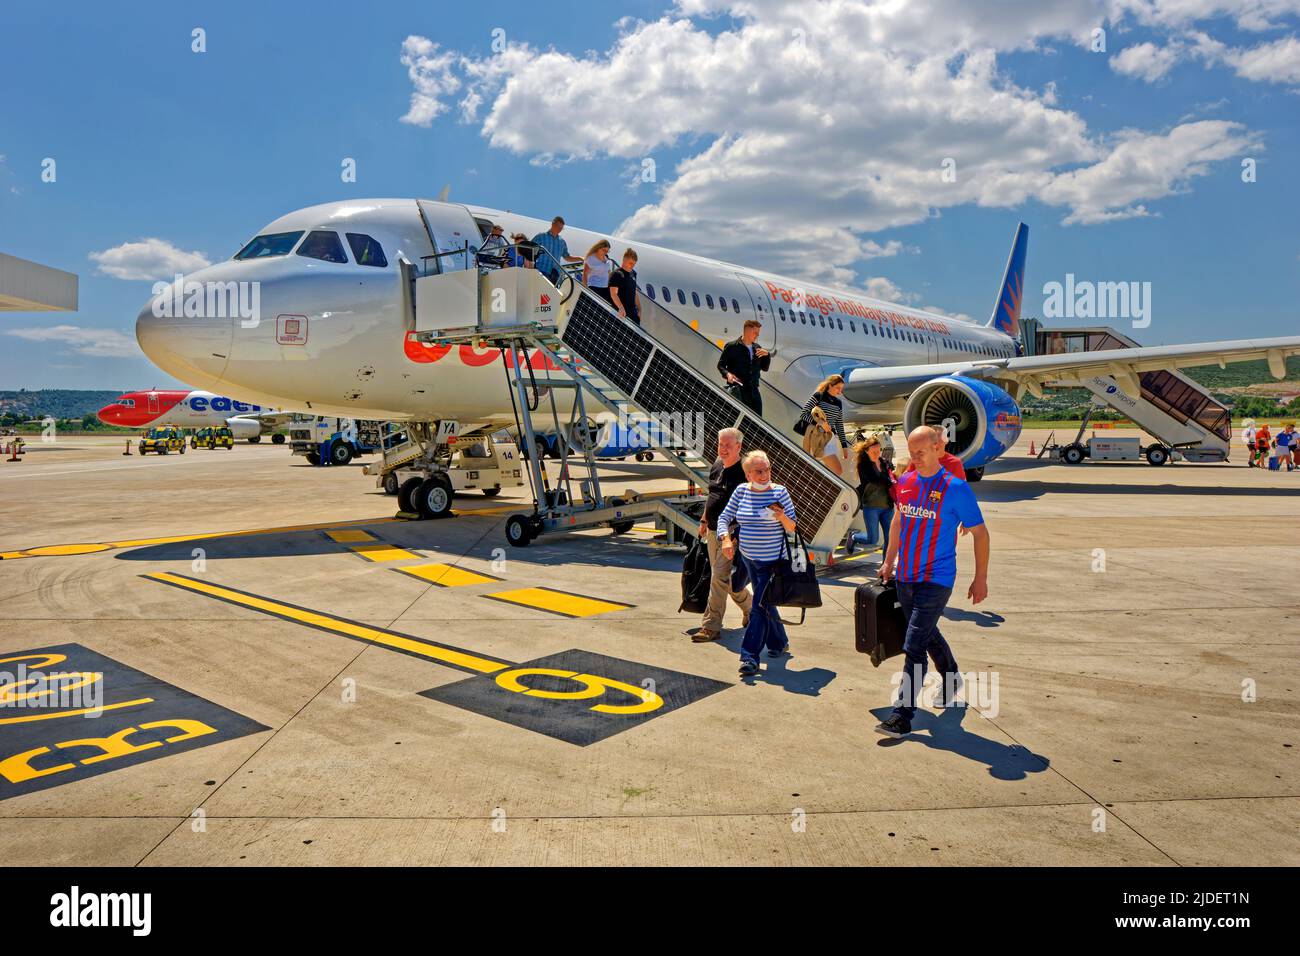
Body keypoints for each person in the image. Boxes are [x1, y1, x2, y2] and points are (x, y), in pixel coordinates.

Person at [875, 426, 990, 739]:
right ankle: (951, 674)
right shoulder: (907, 481)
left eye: (921, 453)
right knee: (925, 632)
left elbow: (980, 532)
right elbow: (898, 521)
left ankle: (902, 715)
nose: (915, 459)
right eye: (911, 454)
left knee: (913, 645)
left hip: (936, 579)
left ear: (938, 448)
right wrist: (889, 561)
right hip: (905, 576)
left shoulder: (956, 488)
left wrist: (980, 578)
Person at [718, 450, 798, 677]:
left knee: (758, 607)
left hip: (772, 562)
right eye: (759, 471)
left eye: (768, 469)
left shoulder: (780, 492)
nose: (765, 475)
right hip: (749, 558)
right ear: (748, 475)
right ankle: (779, 642)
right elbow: (724, 517)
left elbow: (792, 527)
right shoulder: (741, 491)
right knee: (766, 603)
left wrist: (781, 516)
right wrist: (725, 538)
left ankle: (749, 657)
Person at [692, 427, 753, 643]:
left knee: (718, 579)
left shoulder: (744, 472)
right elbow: (713, 494)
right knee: (725, 580)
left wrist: (736, 534)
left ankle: (711, 626)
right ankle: (751, 607)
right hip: (712, 530)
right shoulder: (717, 464)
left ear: (739, 446)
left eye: (728, 445)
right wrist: (704, 519)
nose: (723, 449)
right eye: (721, 444)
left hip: (731, 534)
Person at [845, 434, 895, 555]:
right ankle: (854, 537)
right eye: (873, 452)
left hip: (888, 507)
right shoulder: (864, 466)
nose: (877, 454)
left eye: (878, 451)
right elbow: (876, 479)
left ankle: (885, 567)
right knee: (873, 539)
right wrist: (890, 478)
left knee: (890, 539)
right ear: (867, 451)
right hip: (871, 507)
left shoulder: (885, 463)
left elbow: (893, 475)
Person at [798, 375, 850, 476]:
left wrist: (844, 446)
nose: (839, 392)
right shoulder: (819, 396)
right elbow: (803, 414)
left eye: (841, 389)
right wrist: (819, 423)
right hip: (816, 436)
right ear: (830, 385)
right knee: (837, 471)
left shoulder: (838, 403)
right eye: (837, 388)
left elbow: (839, 424)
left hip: (830, 439)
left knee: (831, 472)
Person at [717, 319, 771, 414]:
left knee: (756, 424)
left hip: (754, 392)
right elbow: (720, 365)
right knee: (737, 421)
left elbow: (765, 368)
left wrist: (767, 355)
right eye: (755, 333)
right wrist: (728, 374)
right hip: (738, 390)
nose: (757, 335)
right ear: (747, 331)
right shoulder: (731, 346)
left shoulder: (757, 348)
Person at [531, 216, 581, 284]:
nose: (559, 229)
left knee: (552, 294)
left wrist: (580, 258)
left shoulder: (562, 241)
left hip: (556, 274)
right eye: (558, 226)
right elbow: (529, 248)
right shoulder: (541, 236)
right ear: (552, 224)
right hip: (542, 270)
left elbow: (567, 257)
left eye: (561, 228)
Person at [608, 249, 641, 325]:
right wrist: (621, 307)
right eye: (630, 263)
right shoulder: (616, 274)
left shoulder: (633, 274)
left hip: (633, 315)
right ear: (624, 260)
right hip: (621, 314)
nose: (632, 266)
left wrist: (640, 309)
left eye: (634, 264)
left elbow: (634, 291)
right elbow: (613, 293)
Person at [583, 239, 614, 305]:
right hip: (594, 287)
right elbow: (585, 274)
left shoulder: (607, 259)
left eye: (607, 251)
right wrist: (585, 288)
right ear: (598, 248)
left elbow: (609, 274)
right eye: (604, 250)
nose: (605, 252)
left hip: (606, 288)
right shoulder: (591, 258)